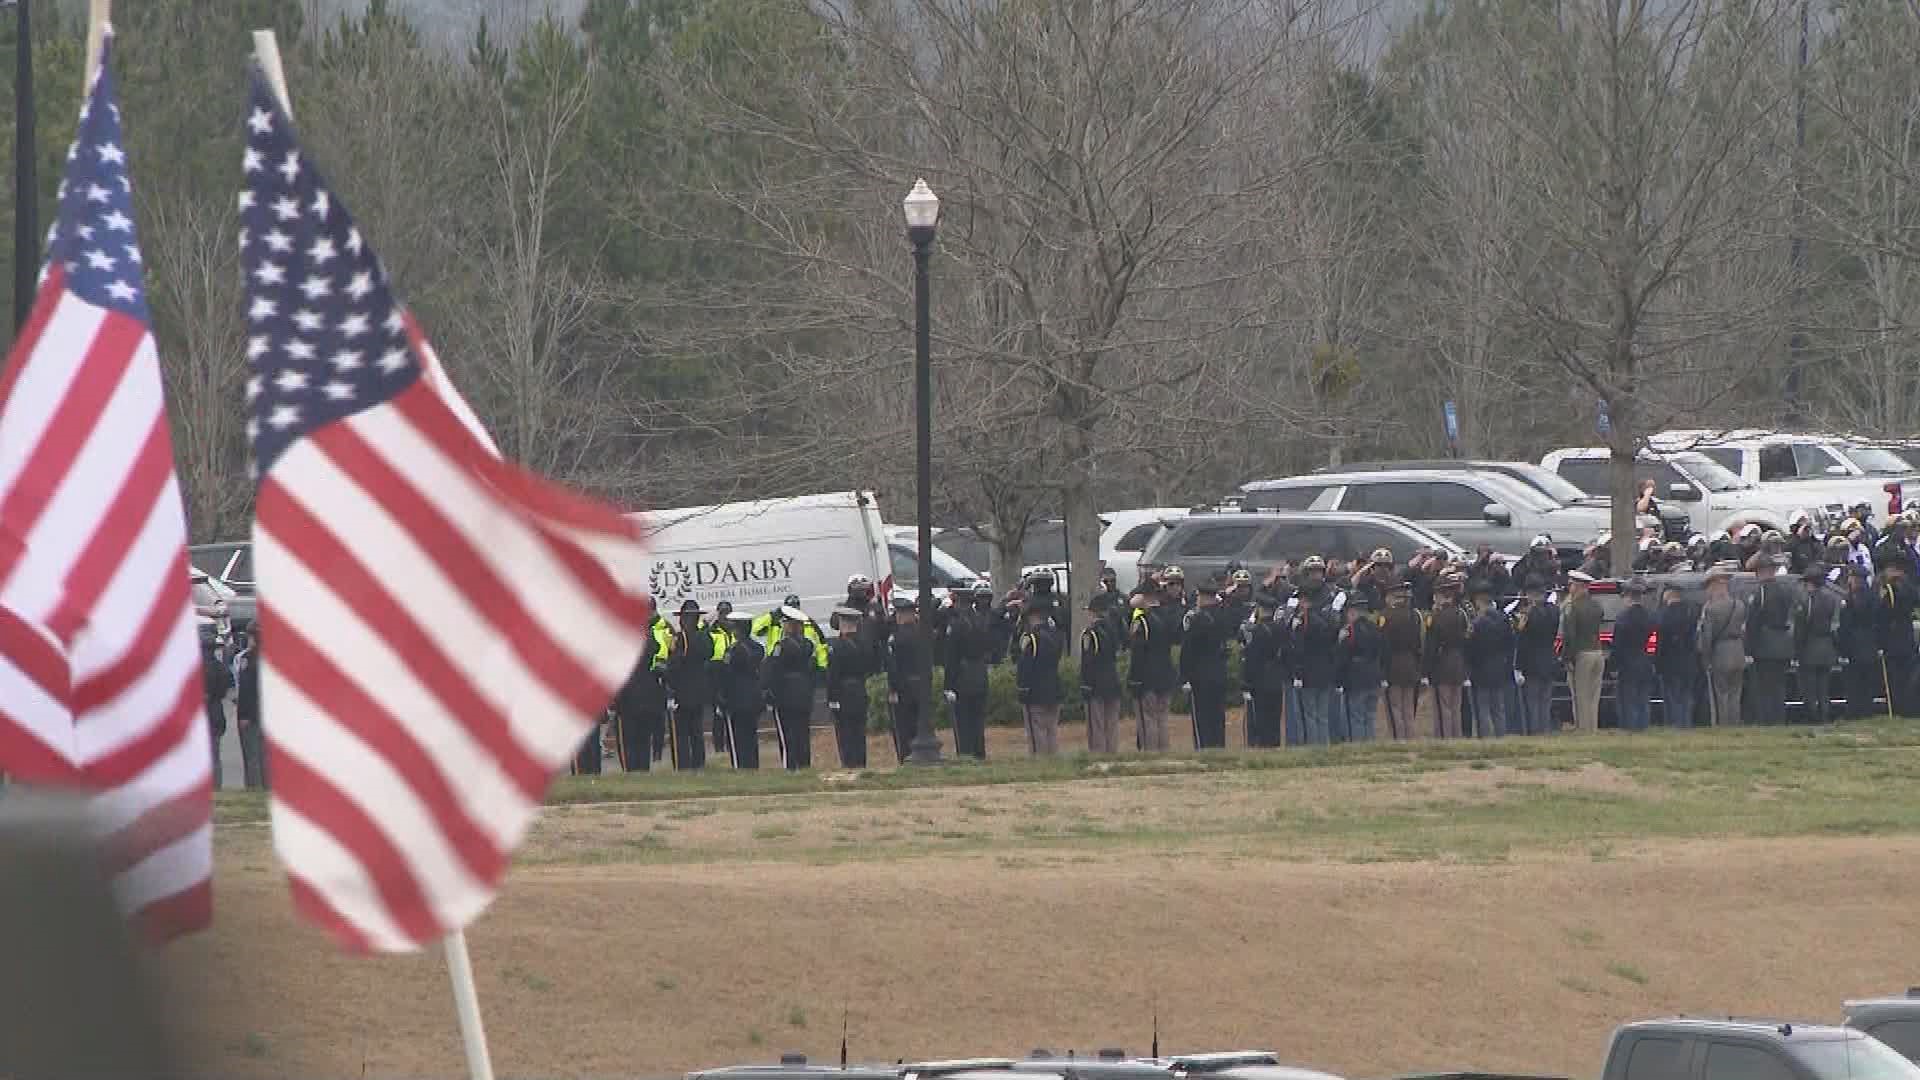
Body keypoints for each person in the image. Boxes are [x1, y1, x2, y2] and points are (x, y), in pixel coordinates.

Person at [1289, 556, 1342, 746]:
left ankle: (1314, 747)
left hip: (1310, 669)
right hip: (1325, 667)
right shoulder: (1327, 612)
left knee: (1311, 714)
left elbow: (1299, 645)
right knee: (1321, 715)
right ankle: (1324, 746)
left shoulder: (1305, 619)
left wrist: (1298, 672)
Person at [665, 600, 721, 769]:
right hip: (700, 690)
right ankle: (699, 763)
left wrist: (670, 686)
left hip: (682, 691)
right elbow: (709, 653)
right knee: (696, 731)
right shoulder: (704, 637)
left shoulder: (680, 638)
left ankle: (683, 765)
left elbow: (674, 665)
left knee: (681, 733)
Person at [1127, 575, 1181, 752]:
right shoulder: (1168, 615)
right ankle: (1164, 752)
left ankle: (1150, 754)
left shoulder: (1142, 620)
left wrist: (1134, 679)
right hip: (1166, 674)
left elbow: (1138, 652)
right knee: (1162, 719)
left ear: (1144, 596)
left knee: (1148, 719)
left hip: (1147, 678)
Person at [1743, 555, 1796, 726]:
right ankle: (1779, 718)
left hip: (1765, 644)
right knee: (1779, 686)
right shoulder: (1786, 590)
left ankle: (1766, 719)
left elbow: (1753, 622)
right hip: (1783, 643)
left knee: (1764, 687)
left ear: (1762, 572)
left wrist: (1748, 648)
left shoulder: (1761, 592)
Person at [943, 585, 994, 760]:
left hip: (962, 677)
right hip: (980, 674)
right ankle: (979, 753)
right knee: (978, 720)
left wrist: (948, 685)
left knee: (963, 721)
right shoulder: (981, 621)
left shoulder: (956, 625)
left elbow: (951, 657)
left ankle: (966, 754)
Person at [1181, 582, 1233, 749]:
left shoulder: (1196, 619)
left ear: (1203, 597)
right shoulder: (1223, 616)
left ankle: (1204, 749)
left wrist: (1184, 676)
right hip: (1219, 672)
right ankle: (1218, 748)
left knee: (1201, 718)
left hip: (1200, 675)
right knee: (1217, 716)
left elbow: (1188, 649)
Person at [767, 606, 819, 769]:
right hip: (804, 693)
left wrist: (771, 693)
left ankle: (790, 766)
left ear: (789, 625)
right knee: (803, 732)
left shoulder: (781, 646)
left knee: (787, 733)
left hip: (786, 694)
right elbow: (814, 669)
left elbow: (775, 669)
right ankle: (804, 764)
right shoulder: (808, 645)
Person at [1697, 562, 1747, 726]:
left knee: (1720, 694)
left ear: (1713, 585)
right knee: (1736, 693)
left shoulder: (1710, 609)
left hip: (1720, 652)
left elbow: (1707, 637)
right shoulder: (1739, 605)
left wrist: (1705, 659)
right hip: (1738, 651)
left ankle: (1723, 725)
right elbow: (1744, 631)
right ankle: (1735, 723)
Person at [887, 595, 935, 761]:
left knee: (904, 726)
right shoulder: (924, 634)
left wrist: (893, 689)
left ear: (900, 615)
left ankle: (906, 757)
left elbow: (893, 667)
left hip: (904, 687)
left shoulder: (896, 638)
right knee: (921, 722)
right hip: (922, 684)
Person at [1423, 571, 1470, 739]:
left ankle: (1445, 739)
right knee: (1455, 707)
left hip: (1441, 665)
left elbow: (1431, 647)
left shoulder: (1435, 617)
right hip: (1458, 663)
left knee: (1443, 707)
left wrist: (1426, 671)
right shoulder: (1461, 614)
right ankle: (1456, 737)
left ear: (1440, 595)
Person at [1015, 599, 1064, 755]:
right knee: (1051, 730)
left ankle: (1040, 762)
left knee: (1036, 732)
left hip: (1035, 690)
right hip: (1054, 686)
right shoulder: (1056, 635)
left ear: (1032, 616)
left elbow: (1025, 665)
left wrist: (1022, 688)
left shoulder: (1031, 637)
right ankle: (1052, 760)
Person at [1465, 581, 1514, 738]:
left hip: (1481, 669)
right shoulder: (1503, 619)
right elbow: (1510, 643)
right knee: (1498, 708)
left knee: (1483, 708)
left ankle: (1486, 738)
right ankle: (1501, 736)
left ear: (1478, 600)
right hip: (1499, 667)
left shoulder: (1477, 623)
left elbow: (1472, 648)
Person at [1794, 566, 1841, 726]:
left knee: (1809, 687)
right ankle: (1824, 715)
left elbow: (1801, 628)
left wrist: (1797, 650)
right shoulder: (1832, 599)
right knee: (1823, 687)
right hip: (1827, 646)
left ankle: (1812, 717)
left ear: (1810, 583)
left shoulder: (1807, 601)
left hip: (1810, 647)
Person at [824, 606, 870, 768]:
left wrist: (832, 698)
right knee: (859, 732)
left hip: (843, 693)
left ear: (842, 623)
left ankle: (849, 764)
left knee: (845, 732)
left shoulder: (837, 646)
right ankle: (861, 763)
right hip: (860, 690)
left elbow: (833, 675)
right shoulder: (863, 644)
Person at [1080, 592, 1125, 753]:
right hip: (1112, 679)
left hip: (1096, 683)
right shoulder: (1113, 630)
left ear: (1093, 612)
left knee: (1096, 724)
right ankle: (1112, 752)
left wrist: (1085, 683)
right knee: (1111, 723)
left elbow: (1088, 661)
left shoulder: (1090, 633)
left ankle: (1098, 754)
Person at [1562, 571, 1606, 733]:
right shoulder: (1597, 606)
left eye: (1571, 584)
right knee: (1594, 695)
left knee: (1580, 695)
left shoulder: (1572, 607)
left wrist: (1567, 658)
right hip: (1598, 652)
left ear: (1578, 586)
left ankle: (1583, 729)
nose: (1569, 588)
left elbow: (1570, 636)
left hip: (1582, 654)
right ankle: (1592, 728)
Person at [1380, 580, 1425, 740]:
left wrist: (1383, 671)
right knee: (1408, 709)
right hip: (1410, 663)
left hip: (1393, 665)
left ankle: (1398, 741)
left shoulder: (1386, 616)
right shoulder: (1414, 615)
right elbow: (1419, 643)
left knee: (1395, 709)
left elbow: (1384, 646)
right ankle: (1410, 739)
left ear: (1390, 596)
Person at [720, 612, 764, 769]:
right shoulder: (758, 648)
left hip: (737, 696)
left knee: (738, 735)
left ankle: (740, 765)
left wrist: (722, 696)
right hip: (753, 695)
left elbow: (726, 673)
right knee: (751, 733)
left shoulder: (733, 650)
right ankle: (753, 764)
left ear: (738, 629)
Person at [1610, 579, 1656, 732]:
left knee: (1627, 700)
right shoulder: (1649, 616)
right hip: (1645, 660)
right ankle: (1643, 727)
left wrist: (1613, 666)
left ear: (1628, 597)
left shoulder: (1623, 618)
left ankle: (1630, 729)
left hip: (1627, 664)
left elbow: (1617, 645)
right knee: (1643, 699)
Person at [1338, 592, 1384, 742]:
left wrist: (1340, 679)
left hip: (1356, 678)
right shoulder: (1375, 627)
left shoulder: (1350, 630)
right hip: (1374, 676)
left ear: (1352, 612)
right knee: (1370, 717)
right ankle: (1370, 745)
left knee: (1356, 717)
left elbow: (1344, 655)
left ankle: (1358, 747)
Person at [1839, 565, 1884, 718]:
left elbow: (1846, 623)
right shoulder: (1873, 596)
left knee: (1855, 681)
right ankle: (1866, 710)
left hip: (1856, 644)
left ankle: (1855, 711)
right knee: (1866, 680)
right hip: (1869, 643)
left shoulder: (1852, 598)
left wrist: (1843, 646)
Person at [1655, 582, 1701, 728]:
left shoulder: (1663, 615)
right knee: (1686, 697)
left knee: (1671, 698)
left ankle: (1674, 725)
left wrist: (1657, 663)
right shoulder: (1691, 612)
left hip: (1669, 663)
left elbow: (1660, 642)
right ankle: (1686, 724)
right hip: (1688, 661)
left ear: (1668, 594)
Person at [1879, 560, 1920, 713]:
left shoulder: (1891, 589)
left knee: (1897, 677)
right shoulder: (1908, 588)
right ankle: (1906, 707)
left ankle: (1899, 707)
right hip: (1905, 639)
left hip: (1895, 639)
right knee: (1904, 676)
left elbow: (1883, 614)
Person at [231, 629, 266, 789]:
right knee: (265, 756)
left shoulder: (249, 658)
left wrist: (243, 715)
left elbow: (245, 688)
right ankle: (267, 788)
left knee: (252, 756)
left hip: (252, 715)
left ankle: (254, 789)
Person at [200, 636, 232, 788]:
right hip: (216, 713)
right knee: (215, 755)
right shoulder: (221, 667)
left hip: (201, 717)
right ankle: (217, 785)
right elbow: (225, 690)